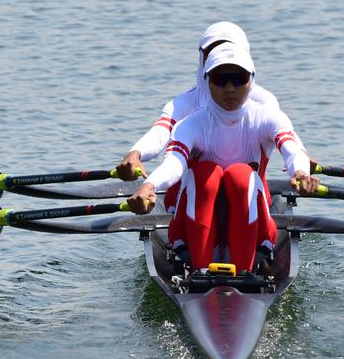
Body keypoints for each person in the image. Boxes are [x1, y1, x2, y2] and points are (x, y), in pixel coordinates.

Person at [126, 43, 319, 274]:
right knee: (205, 173)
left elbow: (291, 149)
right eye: (220, 79)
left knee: (240, 175)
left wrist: (300, 172)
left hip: (255, 237)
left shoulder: (268, 117)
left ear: (251, 80)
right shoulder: (190, 124)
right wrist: (150, 185)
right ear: (207, 81)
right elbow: (174, 163)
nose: (229, 88)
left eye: (238, 79)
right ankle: (200, 268)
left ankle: (244, 270)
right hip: (191, 238)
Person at [115, 21, 280, 206]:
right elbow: (159, 133)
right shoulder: (184, 104)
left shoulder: (265, 103)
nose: (221, 57)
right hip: (192, 201)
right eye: (212, 52)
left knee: (240, 177)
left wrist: (299, 168)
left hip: (247, 199)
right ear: (203, 58)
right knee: (203, 174)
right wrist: (136, 153)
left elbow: (287, 143)